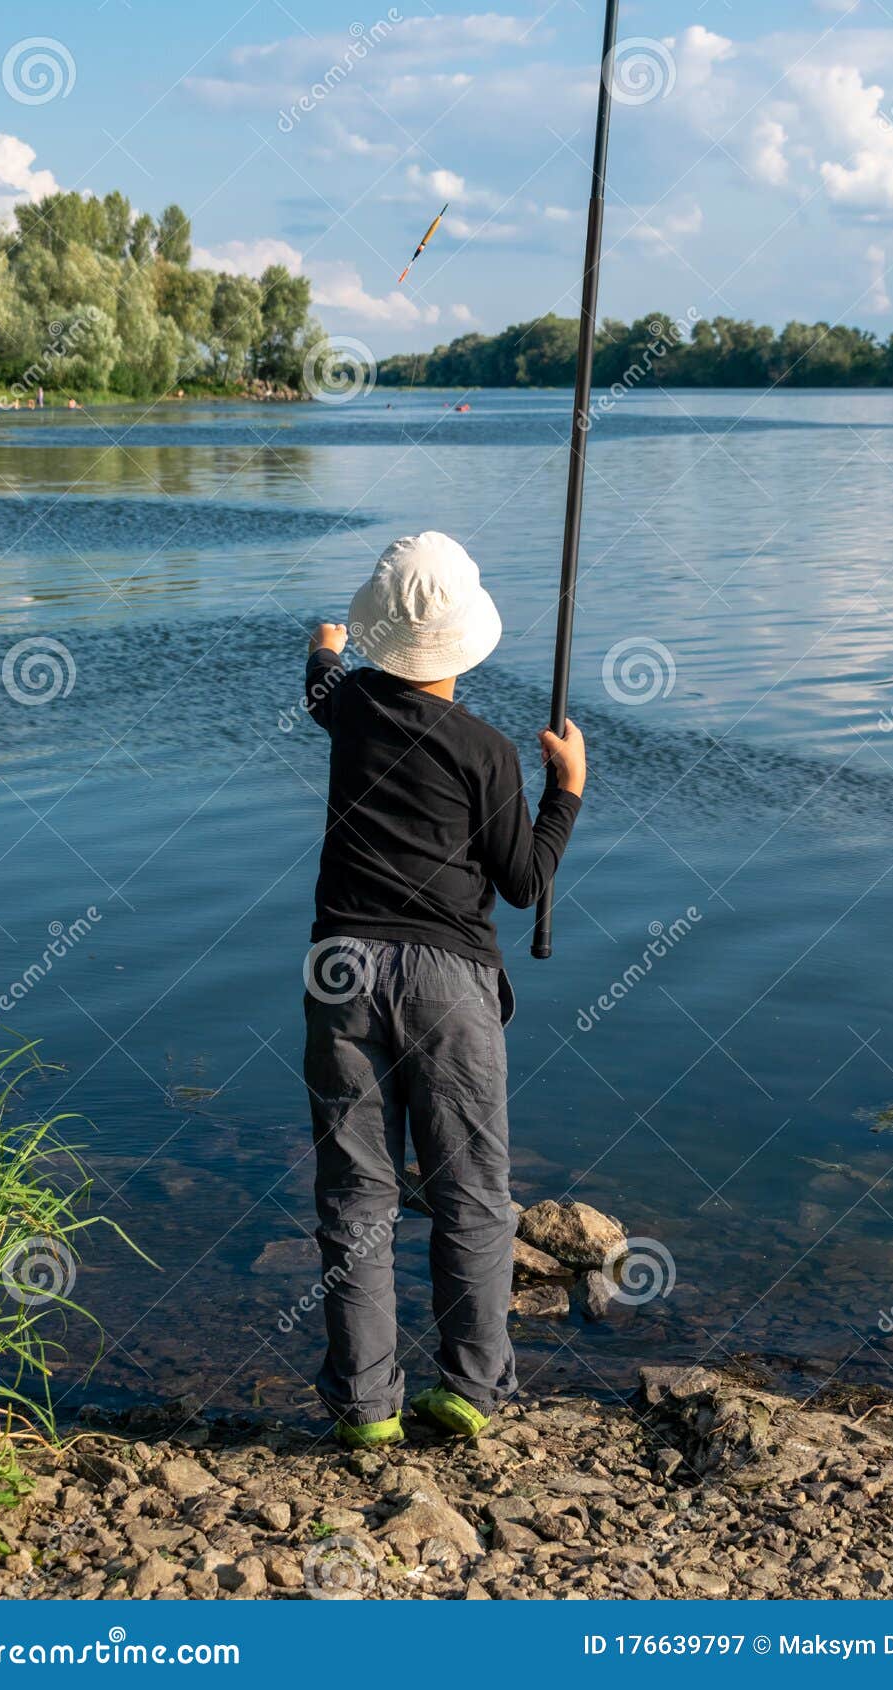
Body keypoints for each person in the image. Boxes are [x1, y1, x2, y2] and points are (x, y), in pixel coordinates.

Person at [302, 531, 585, 1449]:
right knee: (468, 1192)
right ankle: (469, 1388)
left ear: (382, 638)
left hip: (342, 968)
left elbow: (319, 688)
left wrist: (326, 647)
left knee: (356, 1192)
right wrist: (566, 794)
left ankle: (364, 1409)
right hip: (447, 981)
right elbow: (523, 882)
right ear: (467, 640)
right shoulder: (487, 751)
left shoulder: (349, 709)